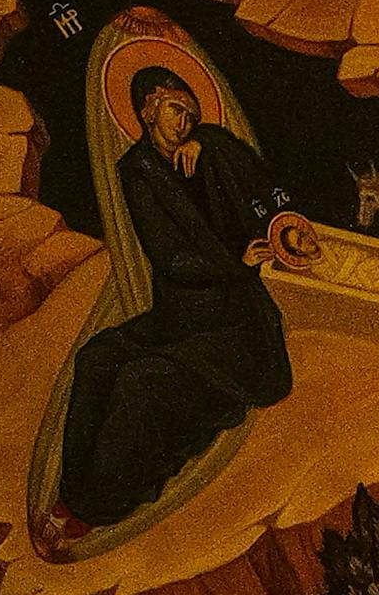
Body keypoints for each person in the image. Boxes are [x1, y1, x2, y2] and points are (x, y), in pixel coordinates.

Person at [34, 53, 296, 558]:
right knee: (97, 358)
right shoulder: (137, 172)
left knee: (142, 381)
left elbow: (268, 189)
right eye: (177, 109)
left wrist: (214, 150)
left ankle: (97, 505)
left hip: (234, 322)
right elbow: (170, 257)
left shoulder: (214, 147)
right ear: (149, 109)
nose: (186, 120)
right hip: (180, 316)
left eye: (192, 112)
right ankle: (72, 492)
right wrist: (234, 259)